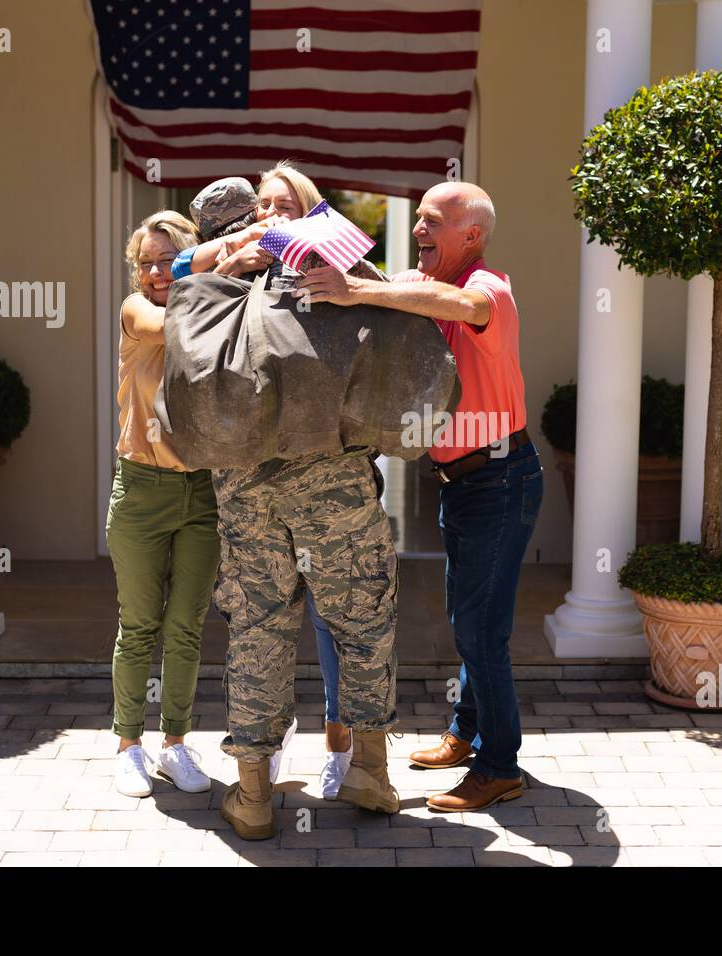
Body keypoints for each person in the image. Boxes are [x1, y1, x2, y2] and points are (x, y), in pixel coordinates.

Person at [294, 181, 542, 812]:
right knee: (469, 616)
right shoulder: (430, 288)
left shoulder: (489, 289)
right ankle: (465, 734)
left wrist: (363, 290)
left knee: (482, 629)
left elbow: (451, 301)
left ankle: (500, 765)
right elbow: (392, 286)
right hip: (464, 482)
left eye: (434, 221)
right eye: (419, 220)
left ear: (472, 235)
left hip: (500, 477)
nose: (419, 230)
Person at [175, 164, 402, 840]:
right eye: (262, 206)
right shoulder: (227, 273)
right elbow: (169, 280)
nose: (272, 215)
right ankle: (256, 793)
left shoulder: (336, 267)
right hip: (287, 484)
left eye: (285, 204)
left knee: (350, 618)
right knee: (268, 626)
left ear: (311, 209)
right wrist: (226, 254)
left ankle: (361, 770)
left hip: (284, 479)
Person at [108, 210, 221, 799]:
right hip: (142, 490)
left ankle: (176, 743)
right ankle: (128, 745)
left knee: (186, 626)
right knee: (139, 624)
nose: (155, 272)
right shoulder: (138, 312)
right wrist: (210, 275)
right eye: (147, 262)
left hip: (201, 491)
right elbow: (165, 326)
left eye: (168, 259)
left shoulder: (208, 310)